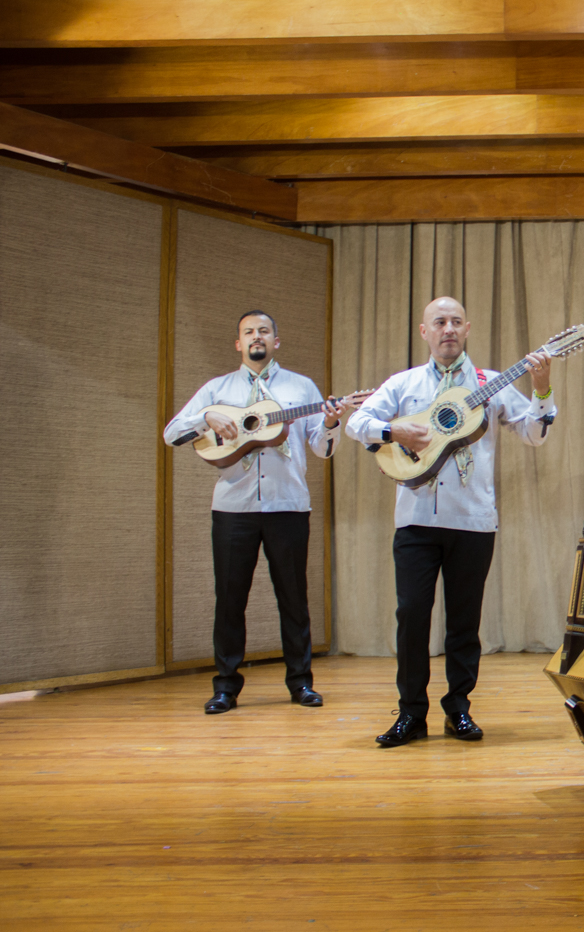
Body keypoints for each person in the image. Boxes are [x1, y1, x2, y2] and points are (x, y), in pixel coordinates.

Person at [347, 297, 555, 748]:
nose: (448, 329)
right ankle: (410, 714)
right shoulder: (403, 383)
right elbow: (356, 423)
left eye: (456, 321)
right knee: (411, 617)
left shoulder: (490, 383)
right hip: (415, 521)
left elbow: (534, 435)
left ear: (467, 329)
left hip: (473, 521)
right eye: (439, 322)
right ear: (424, 331)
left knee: (464, 622)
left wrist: (542, 390)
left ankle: (458, 709)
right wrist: (394, 431)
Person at [165, 310, 352, 715]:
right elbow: (171, 432)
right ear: (238, 343)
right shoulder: (217, 389)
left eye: (264, 331)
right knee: (230, 600)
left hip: (288, 505)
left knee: (294, 598)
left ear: (275, 341)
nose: (256, 337)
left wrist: (332, 422)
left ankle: (301, 683)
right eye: (248, 332)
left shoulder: (302, 388)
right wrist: (205, 417)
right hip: (233, 508)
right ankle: (225, 688)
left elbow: (322, 449)